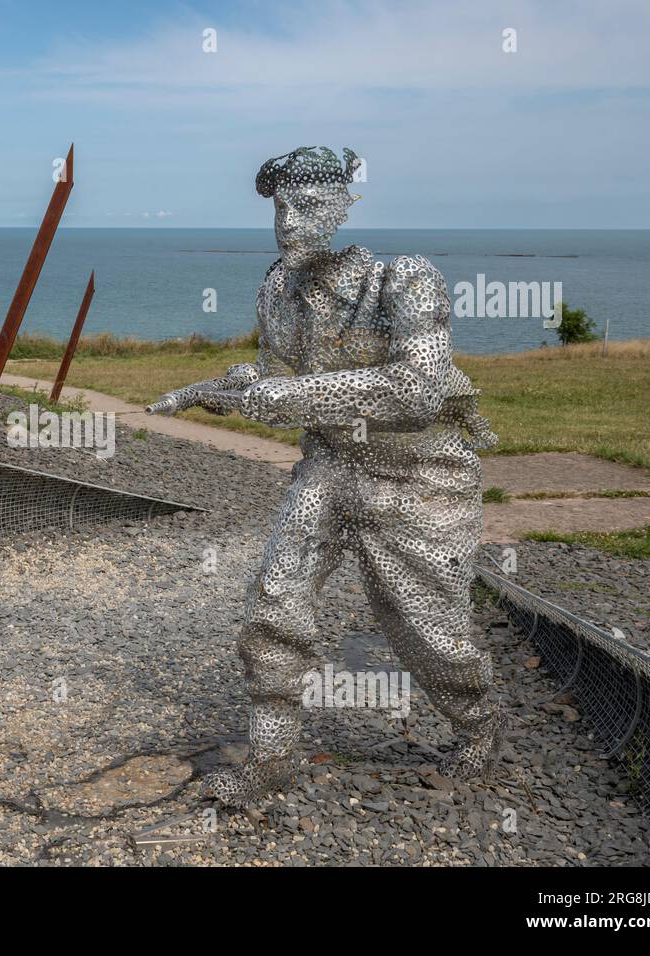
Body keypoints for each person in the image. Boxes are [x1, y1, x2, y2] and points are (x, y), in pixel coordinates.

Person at [148, 147, 502, 808]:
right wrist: (245, 384)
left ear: (343, 205)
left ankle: (479, 724)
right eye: (280, 208)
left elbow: (414, 392)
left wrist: (282, 398)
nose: (288, 222)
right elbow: (280, 374)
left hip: (417, 472)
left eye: (308, 206)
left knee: (425, 630)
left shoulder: (405, 280)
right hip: (330, 463)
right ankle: (272, 760)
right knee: (275, 600)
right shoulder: (277, 288)